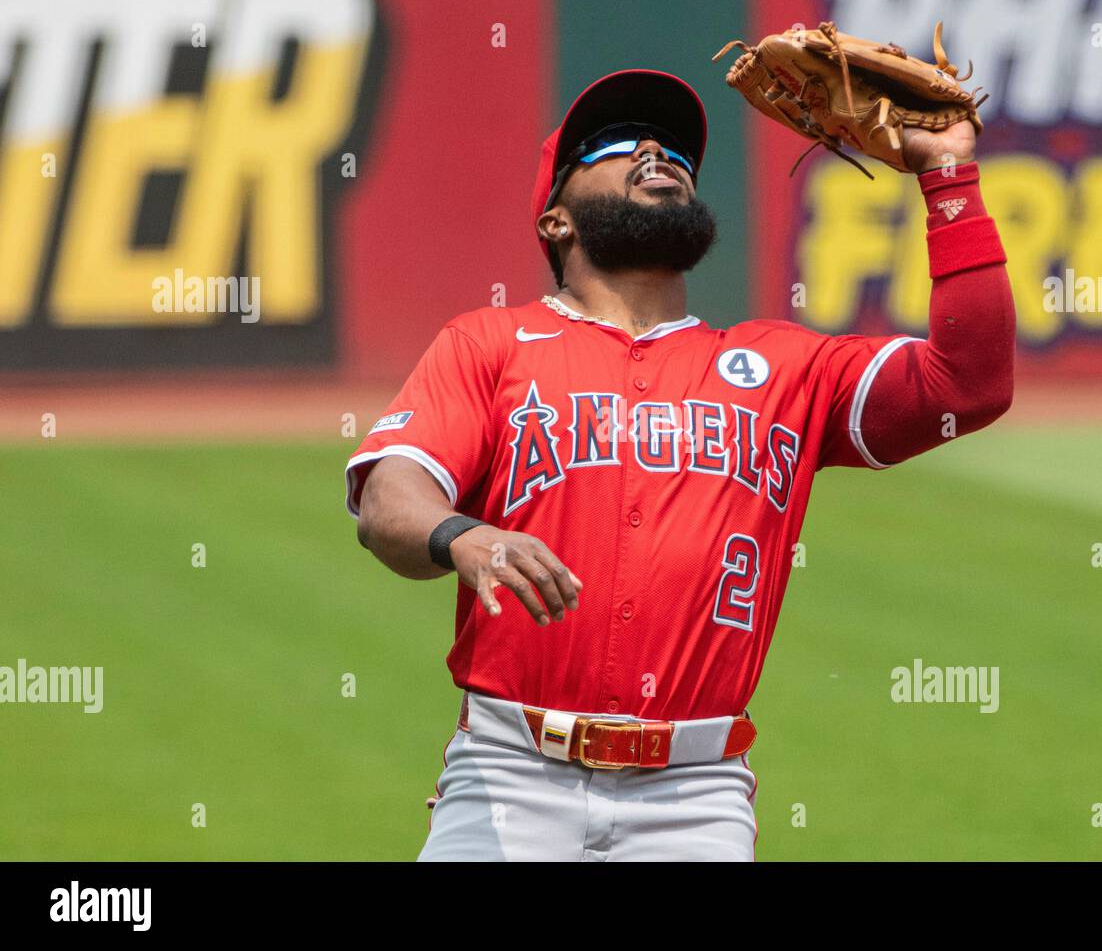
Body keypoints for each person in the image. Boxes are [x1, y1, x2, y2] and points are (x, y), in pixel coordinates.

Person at [345, 69, 1015, 861]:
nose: (656, 150)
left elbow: (967, 384)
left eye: (672, 148)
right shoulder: (490, 344)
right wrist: (464, 537)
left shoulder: (785, 369)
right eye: (615, 143)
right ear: (555, 219)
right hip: (508, 774)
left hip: (694, 799)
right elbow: (390, 498)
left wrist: (948, 176)